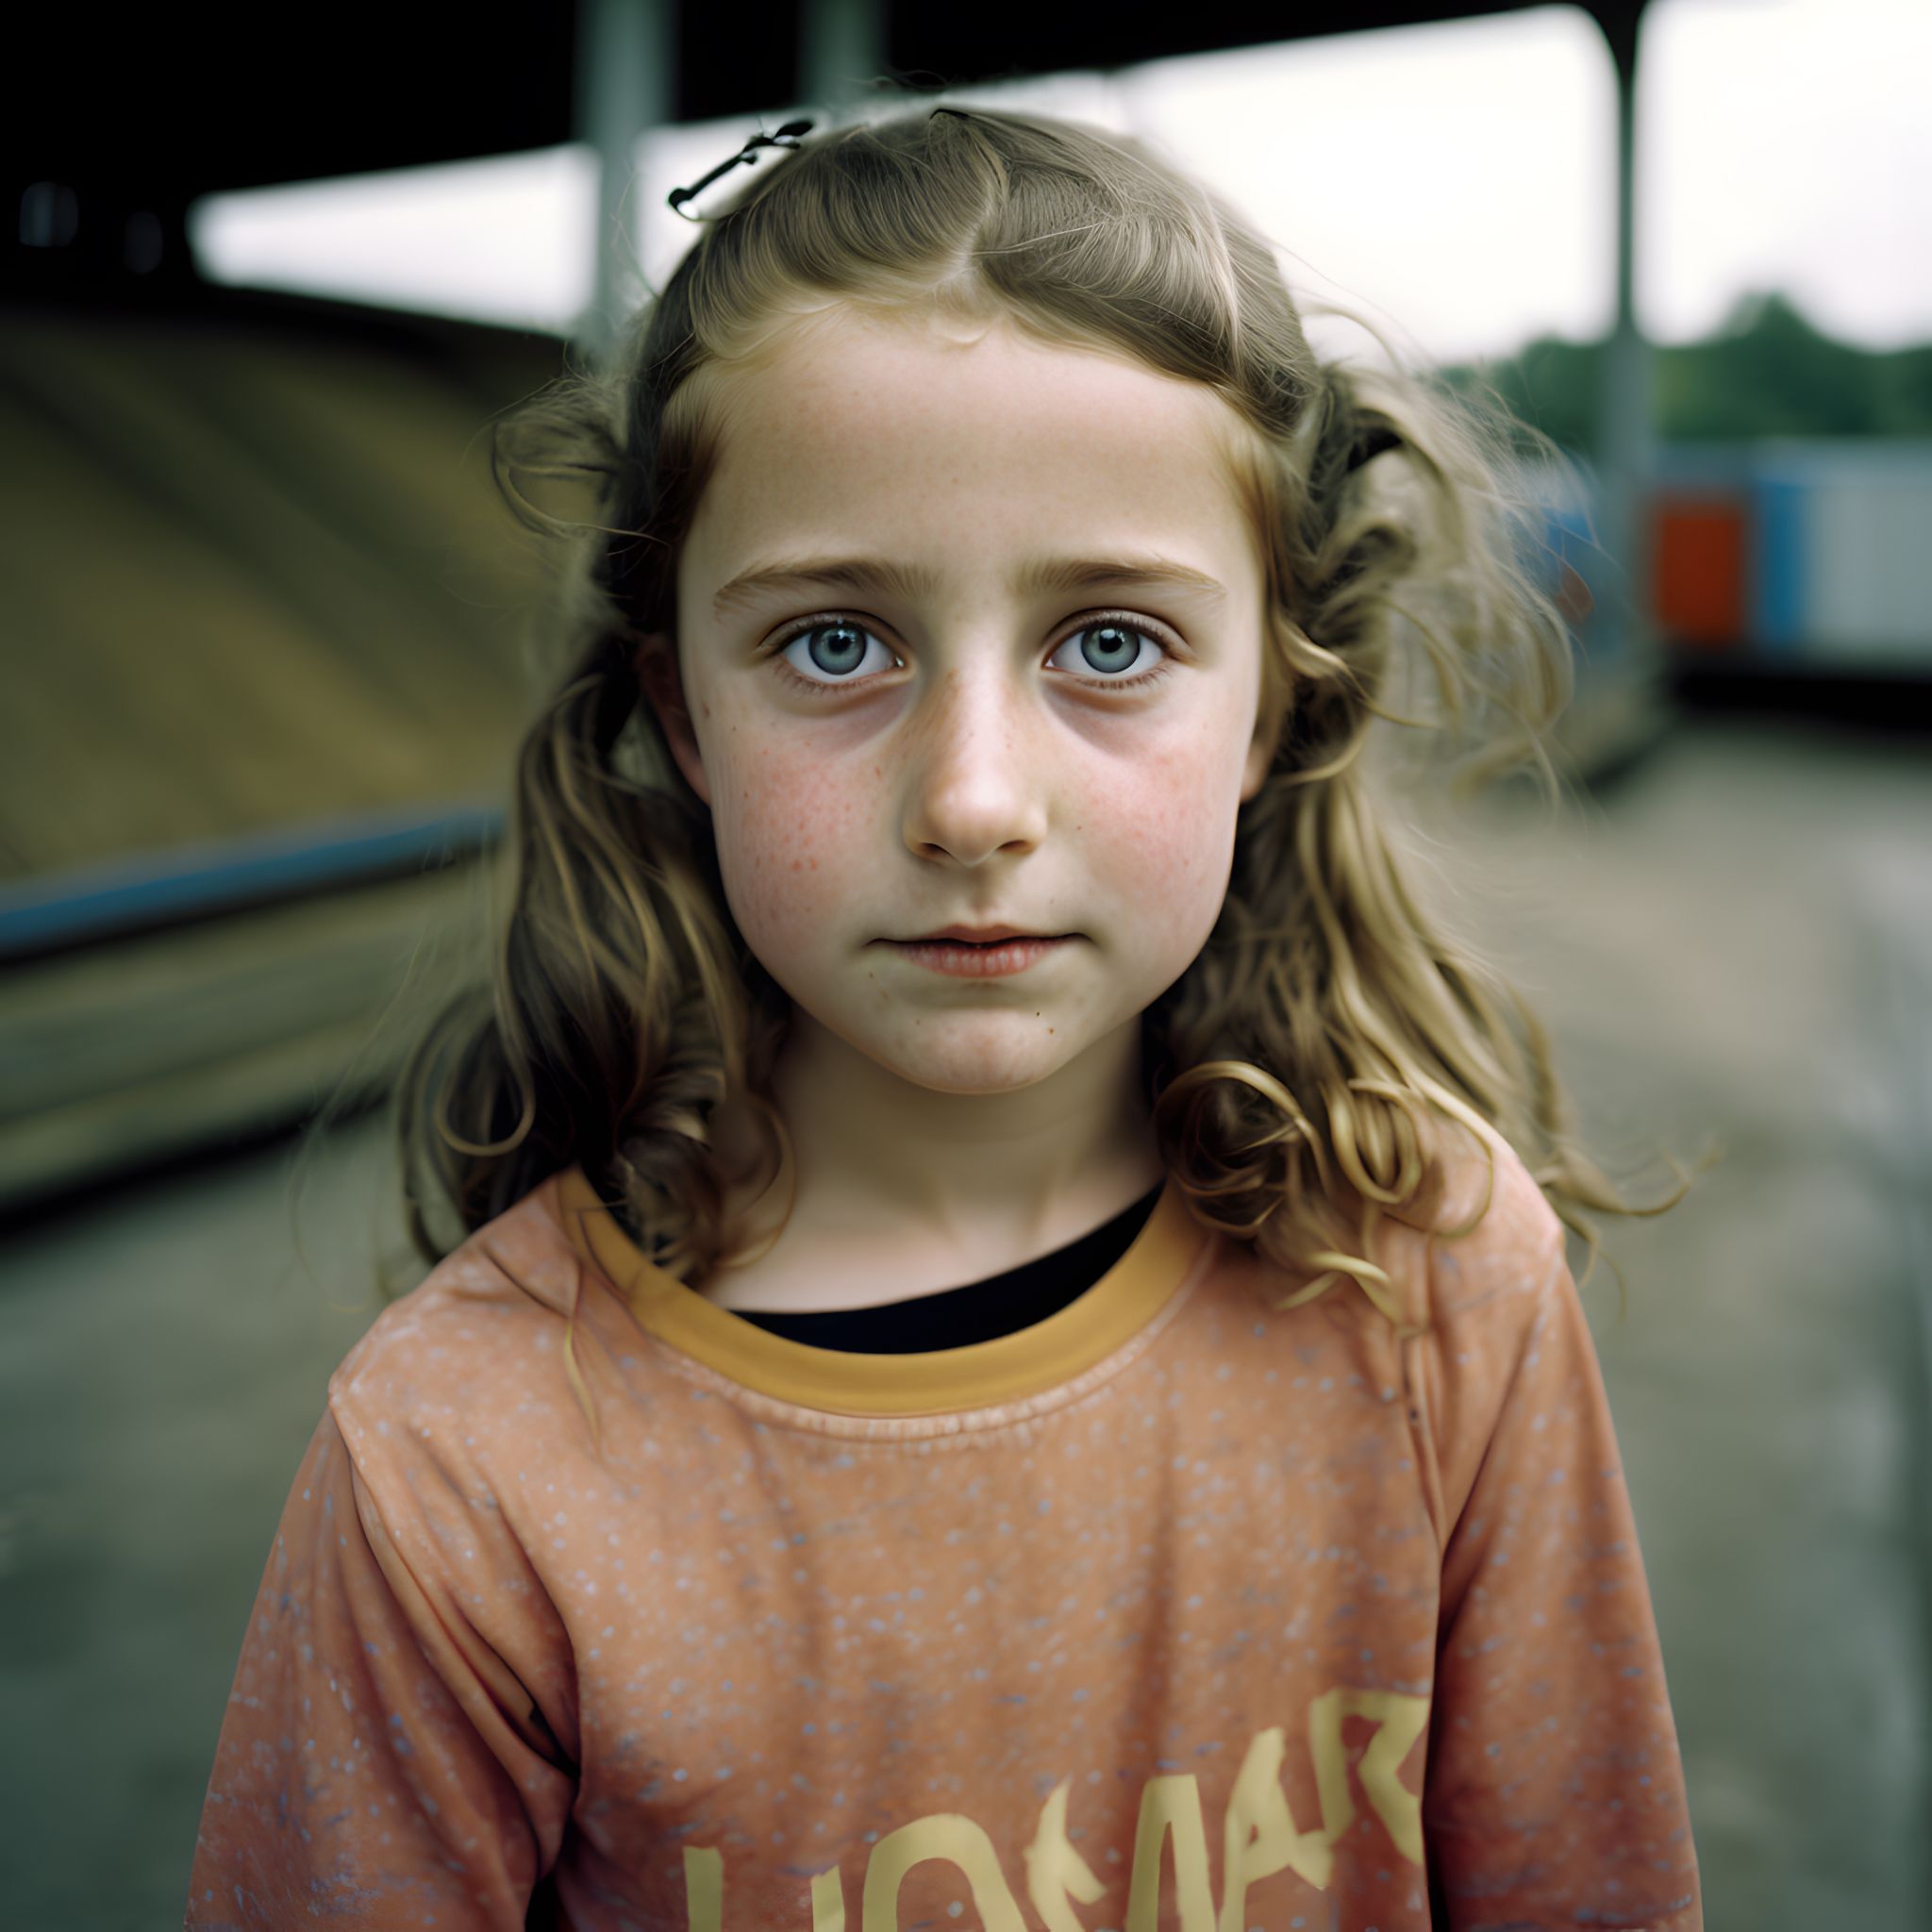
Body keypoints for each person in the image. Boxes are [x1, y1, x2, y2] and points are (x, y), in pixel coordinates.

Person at [184, 104, 1702, 1930]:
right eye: (836, 642)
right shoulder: (460, 1461)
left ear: (1273, 710)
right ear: (681, 712)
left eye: (1112, 642)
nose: (972, 799)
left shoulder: (1444, 1291)